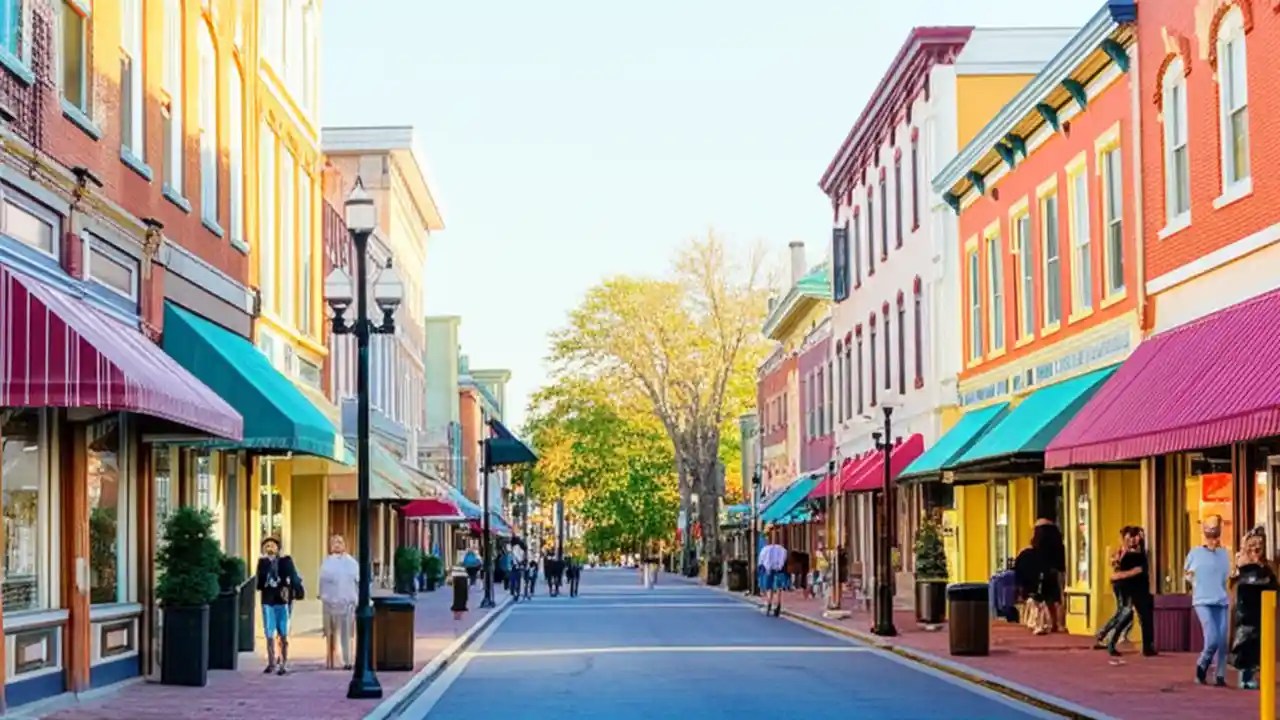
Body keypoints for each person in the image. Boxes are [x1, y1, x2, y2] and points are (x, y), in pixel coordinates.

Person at [1185, 514, 1232, 686]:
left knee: (1222, 640)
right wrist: (1193, 580)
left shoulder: (1224, 554)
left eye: (1216, 529)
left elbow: (1229, 575)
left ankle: (1220, 675)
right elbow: (1187, 574)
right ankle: (1202, 664)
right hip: (1203, 600)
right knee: (1211, 638)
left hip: (1221, 600)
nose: (1213, 533)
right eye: (1209, 529)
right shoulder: (1195, 553)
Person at [1229, 527, 1279, 689]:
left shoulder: (1267, 566)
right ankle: (1245, 675)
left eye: (1260, 545)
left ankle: (1253, 673)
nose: (1257, 549)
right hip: (1246, 611)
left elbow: (1273, 585)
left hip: (1262, 610)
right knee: (1246, 642)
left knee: (1260, 643)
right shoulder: (1243, 566)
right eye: (1253, 545)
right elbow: (1241, 583)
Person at [256, 537, 298, 675]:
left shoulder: (286, 561)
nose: (270, 548)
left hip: (282, 601)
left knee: (283, 634)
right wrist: (267, 570)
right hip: (268, 601)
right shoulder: (262, 563)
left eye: (273, 545)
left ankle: (283, 663)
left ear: (278, 548)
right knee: (269, 633)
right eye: (267, 546)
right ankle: (271, 662)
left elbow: (292, 577)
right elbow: (259, 584)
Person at [318, 534, 358, 671]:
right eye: (334, 542)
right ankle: (331, 661)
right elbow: (322, 583)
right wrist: (323, 597)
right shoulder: (326, 562)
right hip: (329, 603)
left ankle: (347, 660)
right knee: (330, 633)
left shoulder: (351, 562)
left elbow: (357, 582)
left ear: (345, 545)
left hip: (347, 603)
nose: (336, 544)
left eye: (340, 542)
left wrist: (355, 599)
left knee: (346, 634)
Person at [1033, 519, 1066, 632]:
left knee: (1047, 599)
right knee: (1057, 599)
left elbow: (1037, 558)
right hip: (1056, 572)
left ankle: (1051, 623)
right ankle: (1059, 624)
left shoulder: (1039, 542)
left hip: (1044, 572)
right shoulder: (1057, 542)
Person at [758, 528, 788, 618]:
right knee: (778, 588)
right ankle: (778, 605)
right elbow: (784, 559)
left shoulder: (765, 549)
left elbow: (761, 561)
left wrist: (762, 568)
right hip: (779, 570)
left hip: (769, 570)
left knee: (769, 588)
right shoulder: (782, 549)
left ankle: (769, 604)